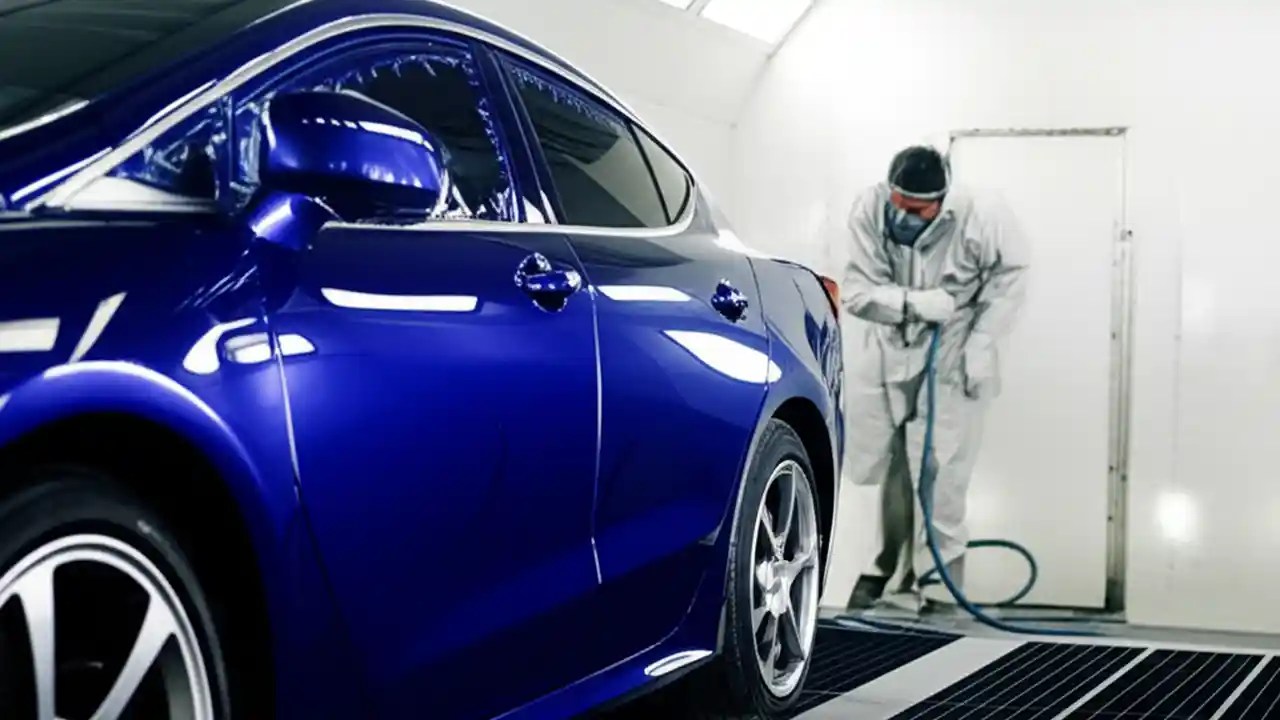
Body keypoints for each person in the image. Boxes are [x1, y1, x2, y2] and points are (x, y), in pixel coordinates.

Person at [840, 145, 1030, 613]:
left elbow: (1011, 279)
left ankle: (939, 586)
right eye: (898, 206)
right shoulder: (869, 209)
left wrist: (982, 343)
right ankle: (884, 572)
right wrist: (912, 304)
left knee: (941, 470)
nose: (905, 218)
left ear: (941, 200)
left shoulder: (983, 215)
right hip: (890, 344)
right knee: (890, 469)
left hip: (953, 347)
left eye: (917, 210)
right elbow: (859, 293)